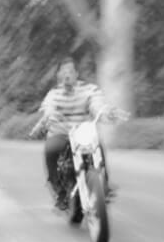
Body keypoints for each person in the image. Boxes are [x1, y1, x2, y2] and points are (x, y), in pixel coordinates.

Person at [35, 56, 117, 210]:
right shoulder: (53, 93)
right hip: (61, 134)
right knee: (50, 150)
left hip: (82, 133)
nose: (67, 75)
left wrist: (104, 112)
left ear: (77, 74)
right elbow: (48, 107)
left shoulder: (89, 89)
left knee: (97, 145)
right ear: (58, 75)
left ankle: (103, 184)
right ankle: (59, 191)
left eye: (71, 72)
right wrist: (50, 114)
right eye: (63, 72)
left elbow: (97, 103)